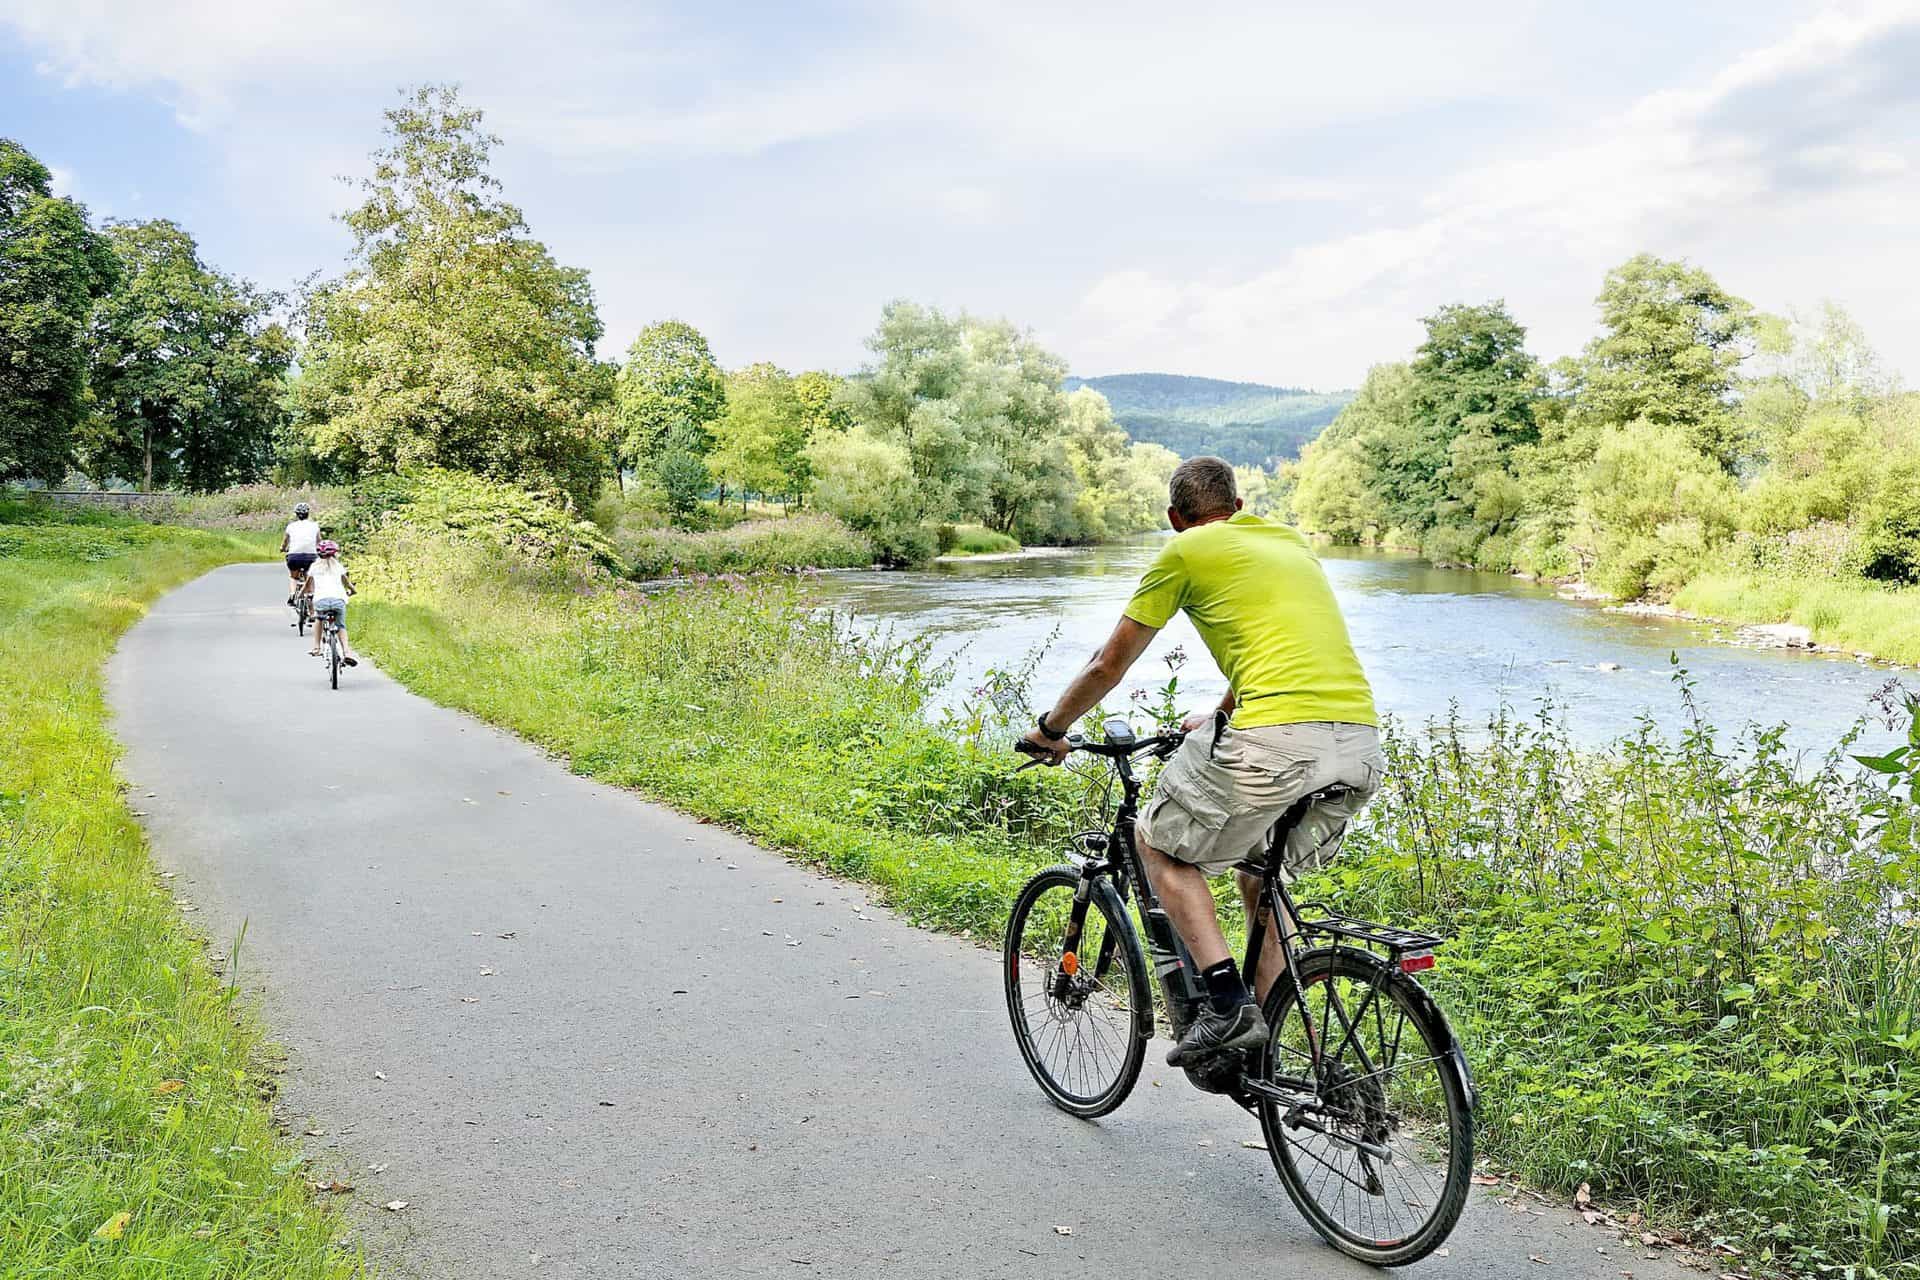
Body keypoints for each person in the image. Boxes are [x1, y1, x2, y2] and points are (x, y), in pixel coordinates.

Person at [1019, 456, 1382, 1067]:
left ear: (1174, 518)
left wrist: (1052, 729)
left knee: (1156, 845)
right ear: (1237, 508)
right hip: (1359, 744)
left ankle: (1227, 1006)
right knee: (1258, 875)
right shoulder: (1289, 541)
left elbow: (1109, 665)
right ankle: (1301, 1059)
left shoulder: (1184, 552)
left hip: (1278, 742)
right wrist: (1218, 715)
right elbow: (1274, 653)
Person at [303, 540, 360, 666]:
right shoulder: (339, 567)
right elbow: (347, 584)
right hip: (338, 601)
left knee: (319, 619)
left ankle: (316, 647)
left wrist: (301, 594)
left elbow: (307, 586)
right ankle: (347, 652)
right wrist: (353, 591)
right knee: (341, 626)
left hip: (321, 601)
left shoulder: (314, 567)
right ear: (335, 554)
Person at [281, 501, 320, 606]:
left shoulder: (291, 526)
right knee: (309, 577)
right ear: (308, 514)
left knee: (294, 577)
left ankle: (292, 594)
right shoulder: (315, 526)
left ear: (296, 514)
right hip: (311, 556)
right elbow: (319, 542)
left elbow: (285, 542)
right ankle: (311, 594)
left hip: (294, 556)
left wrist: (283, 548)